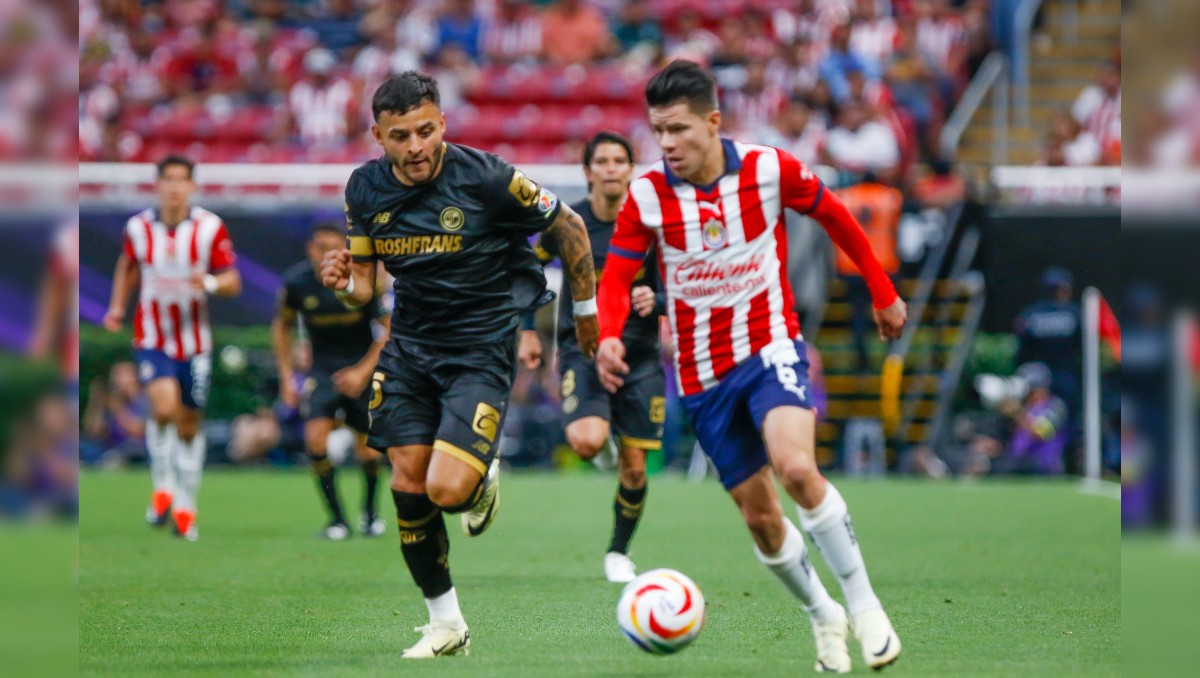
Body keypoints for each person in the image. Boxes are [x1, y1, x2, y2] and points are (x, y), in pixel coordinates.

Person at [595, 60, 907, 673]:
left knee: (795, 466)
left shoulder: (770, 169)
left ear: (713, 122)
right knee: (762, 520)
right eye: (658, 131)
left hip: (770, 347)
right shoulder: (646, 196)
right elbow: (615, 278)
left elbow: (836, 216)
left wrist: (881, 287)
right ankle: (824, 615)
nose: (667, 144)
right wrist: (609, 335)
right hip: (701, 375)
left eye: (679, 129)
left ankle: (866, 606)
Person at [319, 71, 597, 659]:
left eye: (425, 131)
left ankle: (476, 474)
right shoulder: (363, 189)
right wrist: (346, 286)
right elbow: (365, 285)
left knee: (447, 489)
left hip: (479, 346)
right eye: (400, 136)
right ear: (378, 136)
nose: (415, 146)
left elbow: (568, 225)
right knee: (405, 482)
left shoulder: (487, 176)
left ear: (443, 123)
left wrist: (588, 311)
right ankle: (446, 623)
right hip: (410, 348)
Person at [518, 131, 665, 584]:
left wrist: (654, 298)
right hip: (582, 352)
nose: (610, 167)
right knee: (584, 442)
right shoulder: (568, 224)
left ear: (630, 169)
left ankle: (618, 552)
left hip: (638, 357)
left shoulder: (651, 228)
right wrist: (526, 329)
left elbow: (677, 285)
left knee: (637, 470)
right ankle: (602, 443)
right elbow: (526, 267)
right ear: (588, 172)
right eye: (601, 160)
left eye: (619, 160)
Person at [103, 155, 242, 541]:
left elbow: (232, 280)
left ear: (192, 186)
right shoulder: (138, 227)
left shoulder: (209, 227)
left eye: (183, 180)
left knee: (187, 424)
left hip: (195, 341)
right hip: (153, 336)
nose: (175, 187)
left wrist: (210, 284)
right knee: (163, 407)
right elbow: (128, 264)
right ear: (158, 184)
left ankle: (186, 505)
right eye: (169, 180)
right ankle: (162, 486)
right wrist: (117, 306)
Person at [273, 223, 391, 540]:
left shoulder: (363, 281)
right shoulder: (297, 283)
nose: (326, 253)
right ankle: (337, 519)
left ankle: (369, 513)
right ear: (310, 249)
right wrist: (287, 376)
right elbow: (281, 326)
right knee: (315, 440)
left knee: (368, 453)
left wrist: (362, 372)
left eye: (334, 247)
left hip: (361, 367)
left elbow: (388, 331)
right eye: (320, 247)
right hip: (322, 371)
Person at [1014, 267, 1082, 422]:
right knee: (1067, 416)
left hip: (1037, 378)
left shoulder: (1030, 314)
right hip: (1066, 375)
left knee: (1035, 417)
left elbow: (1021, 350)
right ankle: (1069, 444)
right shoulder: (1074, 313)